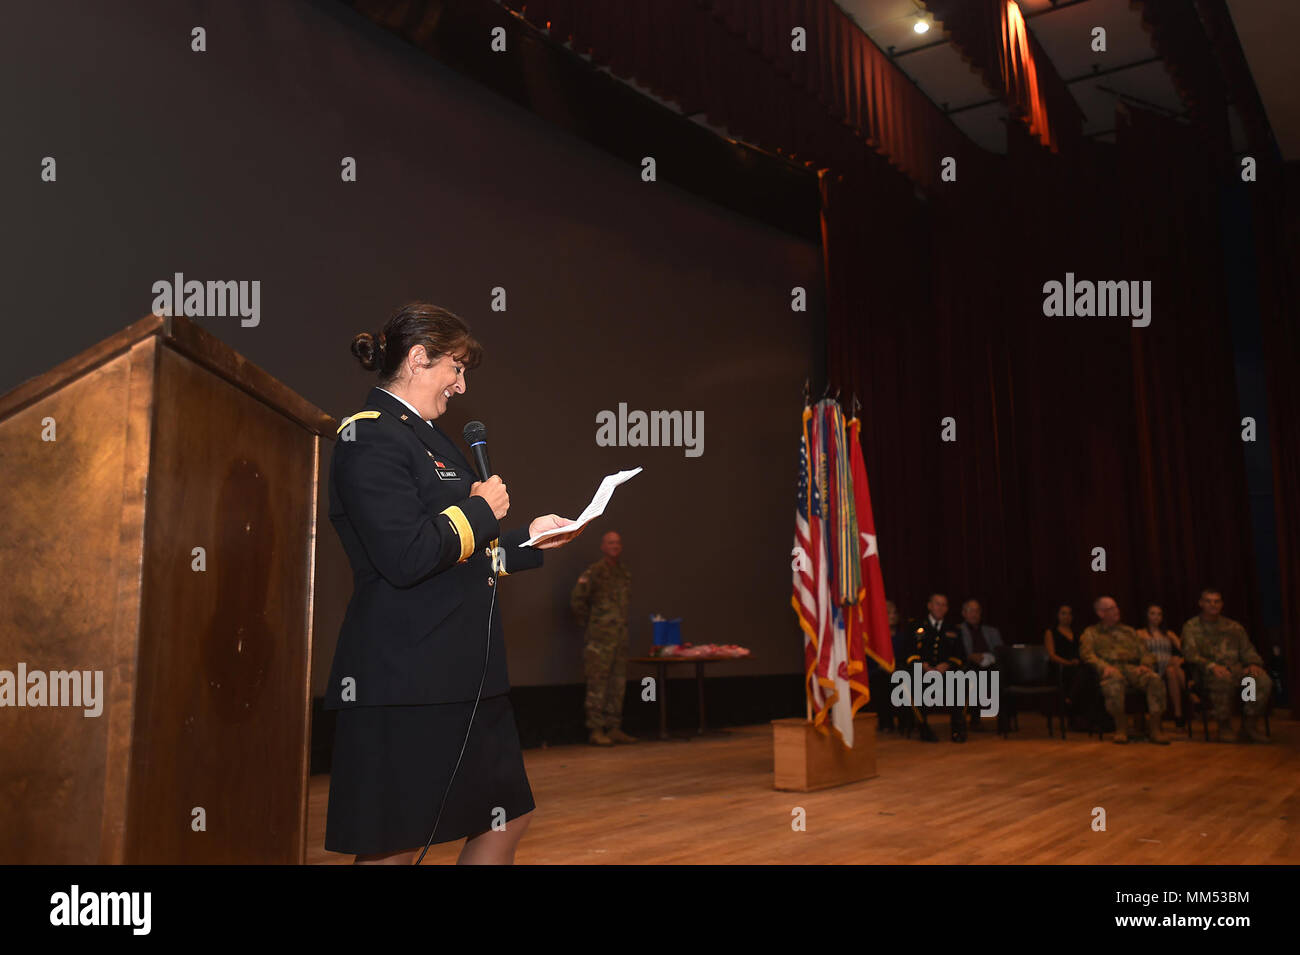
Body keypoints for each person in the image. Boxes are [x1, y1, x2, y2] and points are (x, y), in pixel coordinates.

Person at [323, 302, 583, 866]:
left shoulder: (430, 440)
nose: (461, 385)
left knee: (506, 814)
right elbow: (407, 556)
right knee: (394, 841)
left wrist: (529, 539)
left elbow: (462, 555)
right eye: (455, 368)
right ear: (419, 359)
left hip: (465, 672)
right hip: (406, 678)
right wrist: (481, 511)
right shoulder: (367, 439)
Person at [1181, 589, 1273, 743]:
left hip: (1237, 671)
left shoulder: (1233, 627)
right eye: (1209, 601)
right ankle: (1224, 726)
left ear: (1221, 604)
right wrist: (1211, 666)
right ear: (1201, 603)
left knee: (1258, 680)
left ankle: (1248, 724)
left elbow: (1247, 649)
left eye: (1216, 601)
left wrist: (1252, 663)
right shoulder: (1191, 627)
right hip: (1208, 673)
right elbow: (1190, 654)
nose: (1213, 604)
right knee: (1222, 678)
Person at [571, 531, 635, 745]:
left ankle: (614, 727)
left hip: (619, 638)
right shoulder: (595, 572)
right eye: (610, 542)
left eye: (617, 542)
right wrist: (591, 625)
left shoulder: (624, 573)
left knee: (617, 684)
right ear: (603, 546)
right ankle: (596, 730)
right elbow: (577, 600)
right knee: (597, 684)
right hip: (599, 640)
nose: (614, 546)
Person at [1079, 596, 1168, 744]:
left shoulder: (1129, 631)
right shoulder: (1091, 633)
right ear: (1101, 613)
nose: (1116, 611)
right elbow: (1087, 655)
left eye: (1116, 607)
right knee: (1114, 681)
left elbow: (1146, 653)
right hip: (1111, 669)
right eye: (1111, 609)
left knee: (1154, 679)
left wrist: (1145, 665)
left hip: (1132, 668)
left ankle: (1155, 729)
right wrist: (1103, 667)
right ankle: (1121, 728)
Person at [905, 593, 966, 742]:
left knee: (960, 680)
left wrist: (948, 664)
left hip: (945, 671)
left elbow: (960, 655)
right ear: (929, 606)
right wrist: (922, 665)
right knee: (912, 682)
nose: (940, 607)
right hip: (922, 671)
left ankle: (957, 729)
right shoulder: (916, 625)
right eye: (937, 604)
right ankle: (923, 728)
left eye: (944, 605)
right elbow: (908, 653)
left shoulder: (954, 628)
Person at [1044, 604, 1096, 728]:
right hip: (1060, 668)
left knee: (1089, 672)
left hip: (1077, 667)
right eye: (1063, 613)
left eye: (1069, 613)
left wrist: (1077, 661)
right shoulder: (1051, 632)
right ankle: (1071, 705)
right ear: (1057, 615)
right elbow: (1051, 655)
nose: (1067, 616)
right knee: (1081, 674)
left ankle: (1071, 700)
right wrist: (1068, 663)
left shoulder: (1078, 633)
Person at [957, 599, 1005, 731]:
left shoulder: (992, 631)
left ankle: (1004, 720)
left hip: (990, 665)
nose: (974, 614)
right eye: (970, 611)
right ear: (964, 613)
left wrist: (989, 657)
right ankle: (975, 719)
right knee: (973, 675)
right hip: (969, 666)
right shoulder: (958, 631)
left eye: (977, 611)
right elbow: (957, 653)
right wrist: (971, 656)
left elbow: (1000, 652)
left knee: (1002, 674)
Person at [1137, 604, 1186, 726]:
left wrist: (1181, 659)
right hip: (1152, 666)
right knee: (1173, 663)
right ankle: (1191, 692)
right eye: (1152, 613)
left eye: (1159, 614)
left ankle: (1178, 713)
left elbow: (1184, 649)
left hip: (1168, 668)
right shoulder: (1140, 633)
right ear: (1147, 616)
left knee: (1172, 670)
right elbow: (1137, 653)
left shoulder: (1169, 634)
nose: (1156, 617)